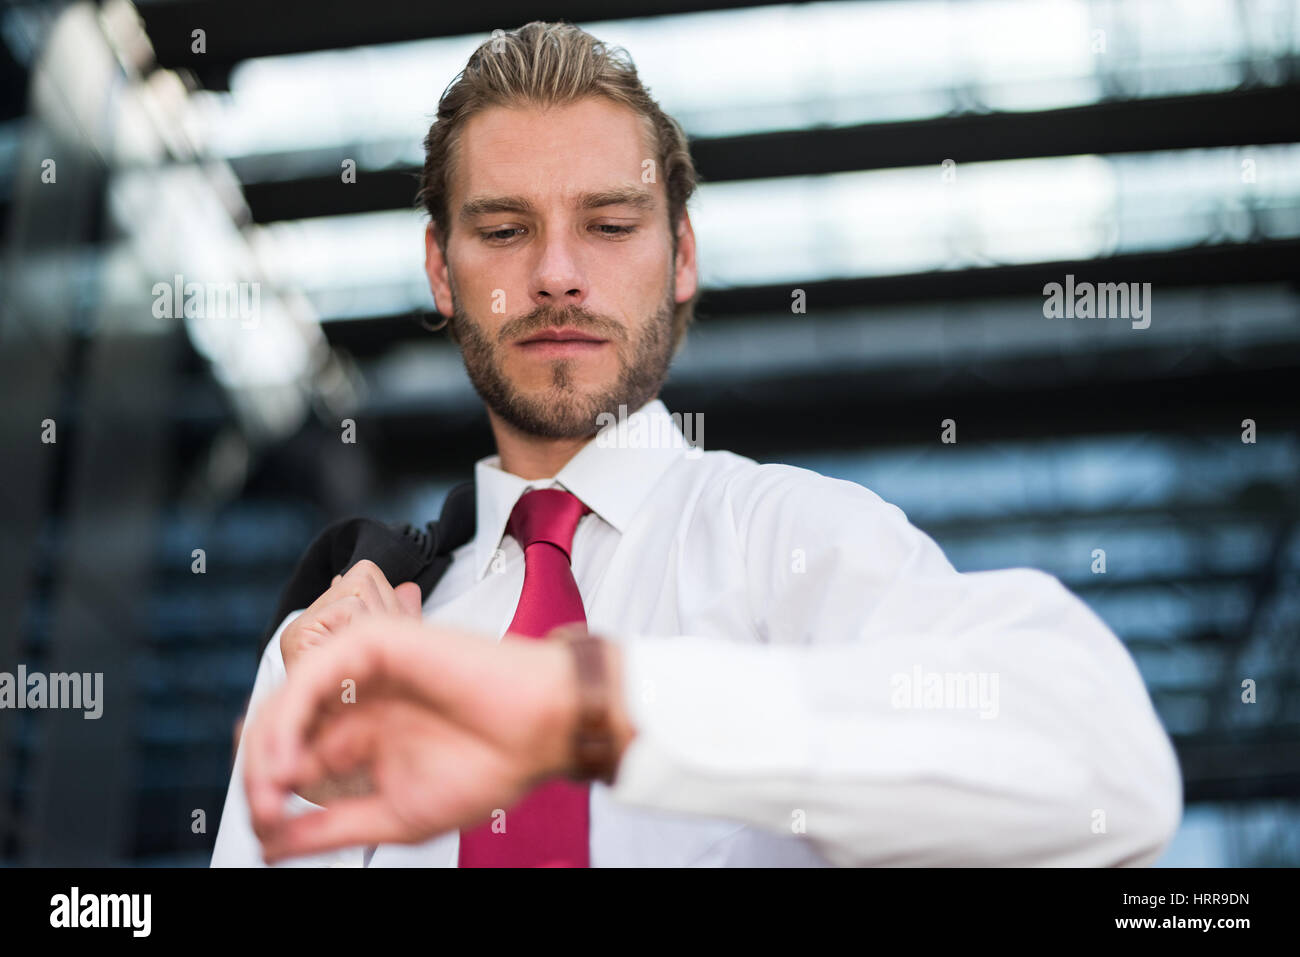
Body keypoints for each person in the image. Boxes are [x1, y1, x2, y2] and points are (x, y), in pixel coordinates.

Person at [213, 20, 1182, 867]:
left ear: (680, 256)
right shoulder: (340, 640)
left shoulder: (795, 542)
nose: (556, 274)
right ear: (440, 270)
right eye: (504, 228)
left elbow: (1105, 771)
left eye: (608, 223)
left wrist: (589, 707)